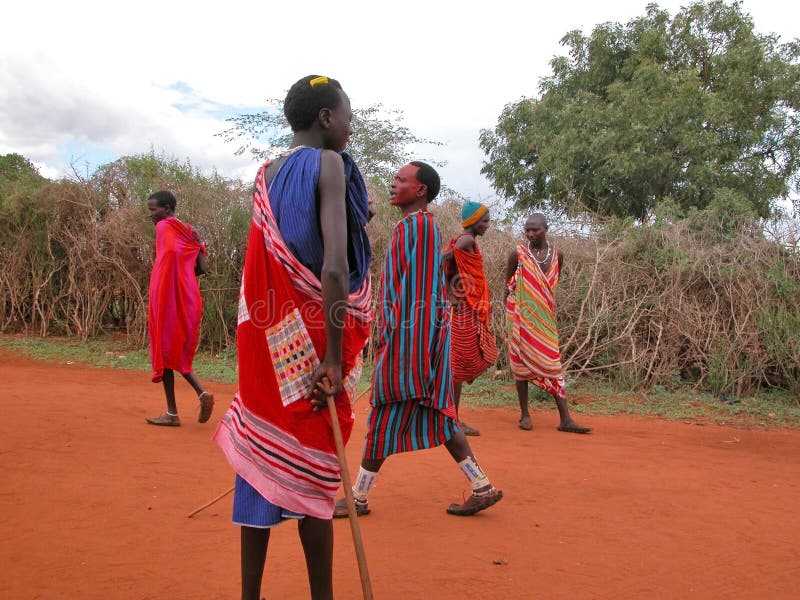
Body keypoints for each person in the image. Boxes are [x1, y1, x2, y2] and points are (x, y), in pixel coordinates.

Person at [212, 75, 372, 600]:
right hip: (314, 335)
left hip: (267, 337)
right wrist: (332, 357)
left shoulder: (266, 174)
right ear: (325, 118)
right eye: (347, 116)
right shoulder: (329, 164)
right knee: (316, 461)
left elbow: (276, 254)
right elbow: (333, 266)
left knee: (261, 454)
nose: (350, 127)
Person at [333, 161, 503, 519]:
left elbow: (417, 295)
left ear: (420, 190)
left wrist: (402, 351)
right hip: (415, 342)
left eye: (401, 180)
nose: (393, 184)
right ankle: (482, 486)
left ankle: (358, 497)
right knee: (442, 418)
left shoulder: (419, 228)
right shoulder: (412, 227)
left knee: (384, 418)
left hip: (410, 346)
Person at [505, 213, 591, 434]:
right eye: (527, 230)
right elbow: (508, 284)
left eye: (535, 230)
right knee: (520, 364)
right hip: (521, 317)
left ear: (546, 229)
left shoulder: (557, 255)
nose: (530, 234)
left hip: (545, 319)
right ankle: (525, 415)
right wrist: (514, 309)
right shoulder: (518, 253)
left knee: (553, 365)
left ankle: (565, 419)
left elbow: (550, 286)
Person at [145, 190, 214, 427]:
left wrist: (169, 281)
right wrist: (183, 275)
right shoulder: (190, 232)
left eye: (153, 210)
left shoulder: (164, 226)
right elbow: (203, 268)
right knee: (174, 350)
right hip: (188, 295)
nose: (151, 215)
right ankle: (201, 394)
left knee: (164, 350)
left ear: (166, 209)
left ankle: (172, 413)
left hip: (168, 297)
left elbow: (169, 255)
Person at [442, 202, 499, 436]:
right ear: (473, 221)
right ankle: (453, 420)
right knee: (458, 362)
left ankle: (450, 416)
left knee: (460, 360)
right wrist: (449, 294)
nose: (487, 225)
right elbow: (441, 261)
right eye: (484, 221)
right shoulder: (466, 240)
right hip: (462, 308)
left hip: (466, 305)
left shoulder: (465, 240)